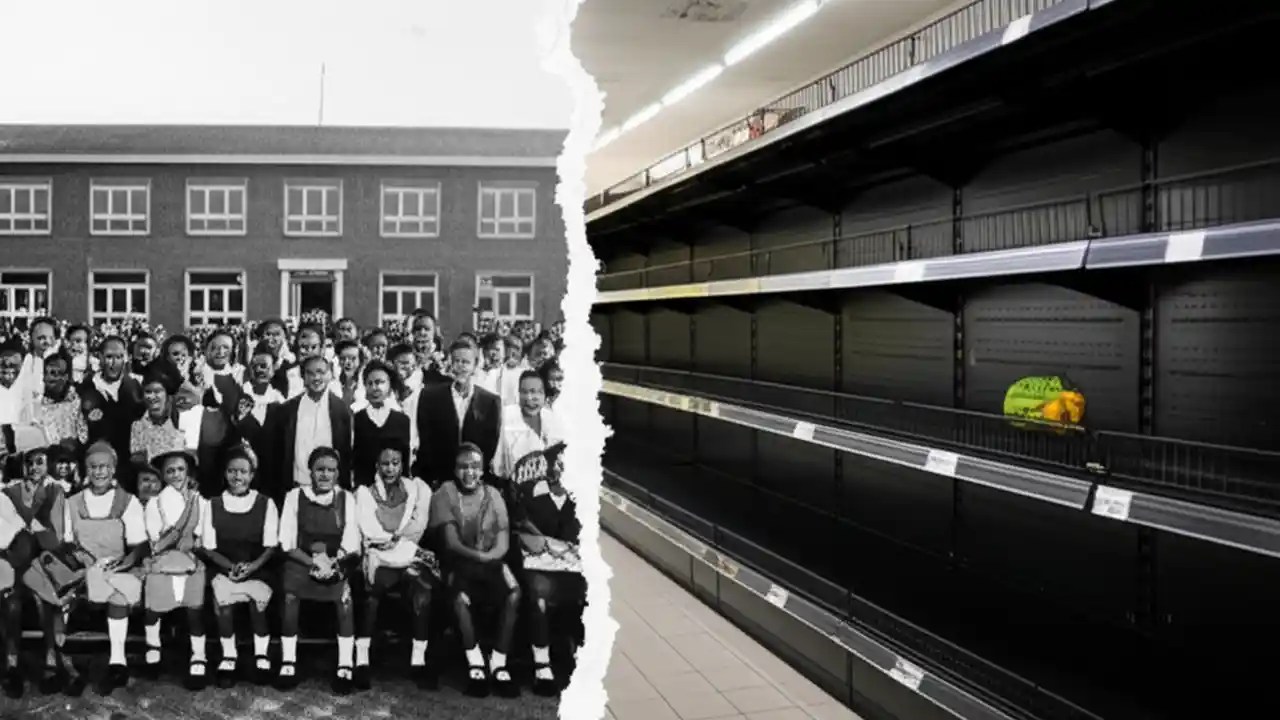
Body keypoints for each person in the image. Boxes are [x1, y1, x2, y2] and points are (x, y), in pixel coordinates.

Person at [428, 442, 520, 698]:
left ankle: (499, 662)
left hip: (491, 562)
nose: (470, 472)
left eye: (475, 467)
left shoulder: (494, 494)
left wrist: (490, 557)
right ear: (455, 469)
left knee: (514, 592)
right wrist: (480, 556)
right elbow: (451, 543)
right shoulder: (444, 493)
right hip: (459, 562)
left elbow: (503, 540)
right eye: (463, 467)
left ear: (483, 470)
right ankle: (476, 662)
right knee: (460, 600)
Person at [62, 441, 148, 695]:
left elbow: (138, 546)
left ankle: (117, 661)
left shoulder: (127, 501)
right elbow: (68, 543)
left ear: (113, 469)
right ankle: (60, 660)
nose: (99, 472)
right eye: (93, 467)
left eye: (105, 467)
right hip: (83, 566)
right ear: (86, 470)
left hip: (118, 567)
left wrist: (123, 566)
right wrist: (86, 562)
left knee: (119, 595)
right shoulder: (73, 502)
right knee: (62, 592)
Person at [353, 439, 436, 690]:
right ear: (377, 466)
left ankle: (418, 661)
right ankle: (362, 660)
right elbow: (369, 531)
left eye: (395, 463)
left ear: (403, 465)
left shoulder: (414, 491)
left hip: (407, 553)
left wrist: (404, 543)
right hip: (378, 556)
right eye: (385, 464)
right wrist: (392, 540)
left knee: (423, 590)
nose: (390, 469)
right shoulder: (365, 493)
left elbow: (416, 526)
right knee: (371, 594)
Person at [276, 447, 360, 693]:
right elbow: (287, 543)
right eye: (320, 469)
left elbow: (351, 541)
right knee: (290, 597)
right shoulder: (294, 497)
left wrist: (333, 564)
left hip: (334, 563)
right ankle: (288, 661)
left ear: (338, 473)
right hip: (302, 562)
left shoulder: (346, 498)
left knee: (345, 598)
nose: (325, 475)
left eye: (331, 470)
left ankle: (345, 665)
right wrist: (313, 563)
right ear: (310, 471)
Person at [199, 443, 278, 687]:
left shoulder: (266, 504)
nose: (238, 477)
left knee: (258, 604)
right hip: (224, 566)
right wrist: (229, 567)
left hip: (257, 567)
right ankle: (228, 655)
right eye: (233, 471)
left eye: (243, 472)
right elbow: (207, 547)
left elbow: (271, 545)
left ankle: (261, 655)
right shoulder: (212, 504)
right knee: (222, 603)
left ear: (252, 475)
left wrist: (252, 567)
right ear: (225, 473)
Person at [513, 442, 583, 697]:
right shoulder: (529, 491)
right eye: (559, 464)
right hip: (536, 564)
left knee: (588, 595)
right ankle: (542, 665)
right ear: (549, 467)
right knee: (540, 598)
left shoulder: (579, 498)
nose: (564, 470)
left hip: (570, 566)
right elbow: (518, 525)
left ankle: (576, 652)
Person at [140, 438, 209, 689]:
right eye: (170, 471)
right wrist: (171, 536)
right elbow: (155, 540)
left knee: (195, 610)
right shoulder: (155, 503)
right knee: (153, 607)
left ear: (188, 471)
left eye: (180, 469)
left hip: (191, 560)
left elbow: (203, 535)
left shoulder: (199, 502)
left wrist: (193, 547)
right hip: (163, 559)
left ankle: (198, 655)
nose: (176, 475)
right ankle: (153, 648)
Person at [1, 446, 66, 699]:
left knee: (42, 600)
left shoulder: (55, 491)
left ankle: (52, 657)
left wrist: (34, 532)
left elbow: (57, 536)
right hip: (16, 560)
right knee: (12, 602)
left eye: (40, 461)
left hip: (44, 560)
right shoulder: (9, 492)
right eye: (29, 462)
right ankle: (12, 662)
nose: (34, 467)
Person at [413, 341, 502, 489]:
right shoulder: (430, 396)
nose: (460, 366)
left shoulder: (490, 401)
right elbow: (427, 440)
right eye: (456, 361)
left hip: (476, 479)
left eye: (466, 362)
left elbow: (490, 444)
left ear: (475, 365)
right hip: (440, 479)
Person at [78, 335, 145, 486]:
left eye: (119, 357)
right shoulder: (86, 388)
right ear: (99, 357)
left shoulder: (135, 387)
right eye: (109, 357)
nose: (113, 363)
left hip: (128, 468)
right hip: (97, 468)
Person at [351, 360, 411, 488]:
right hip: (365, 490)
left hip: (395, 492)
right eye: (370, 383)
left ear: (389, 386)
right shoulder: (356, 419)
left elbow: (405, 461)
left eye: (380, 382)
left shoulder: (402, 420)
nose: (375, 388)